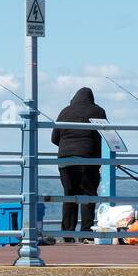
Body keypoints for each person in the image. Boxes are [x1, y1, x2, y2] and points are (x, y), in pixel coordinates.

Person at [52, 87, 106, 240]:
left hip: (65, 160)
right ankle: (86, 234)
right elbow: (104, 135)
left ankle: (67, 234)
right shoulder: (98, 111)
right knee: (88, 195)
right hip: (88, 159)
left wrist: (69, 148)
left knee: (70, 195)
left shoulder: (64, 112)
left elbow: (54, 138)